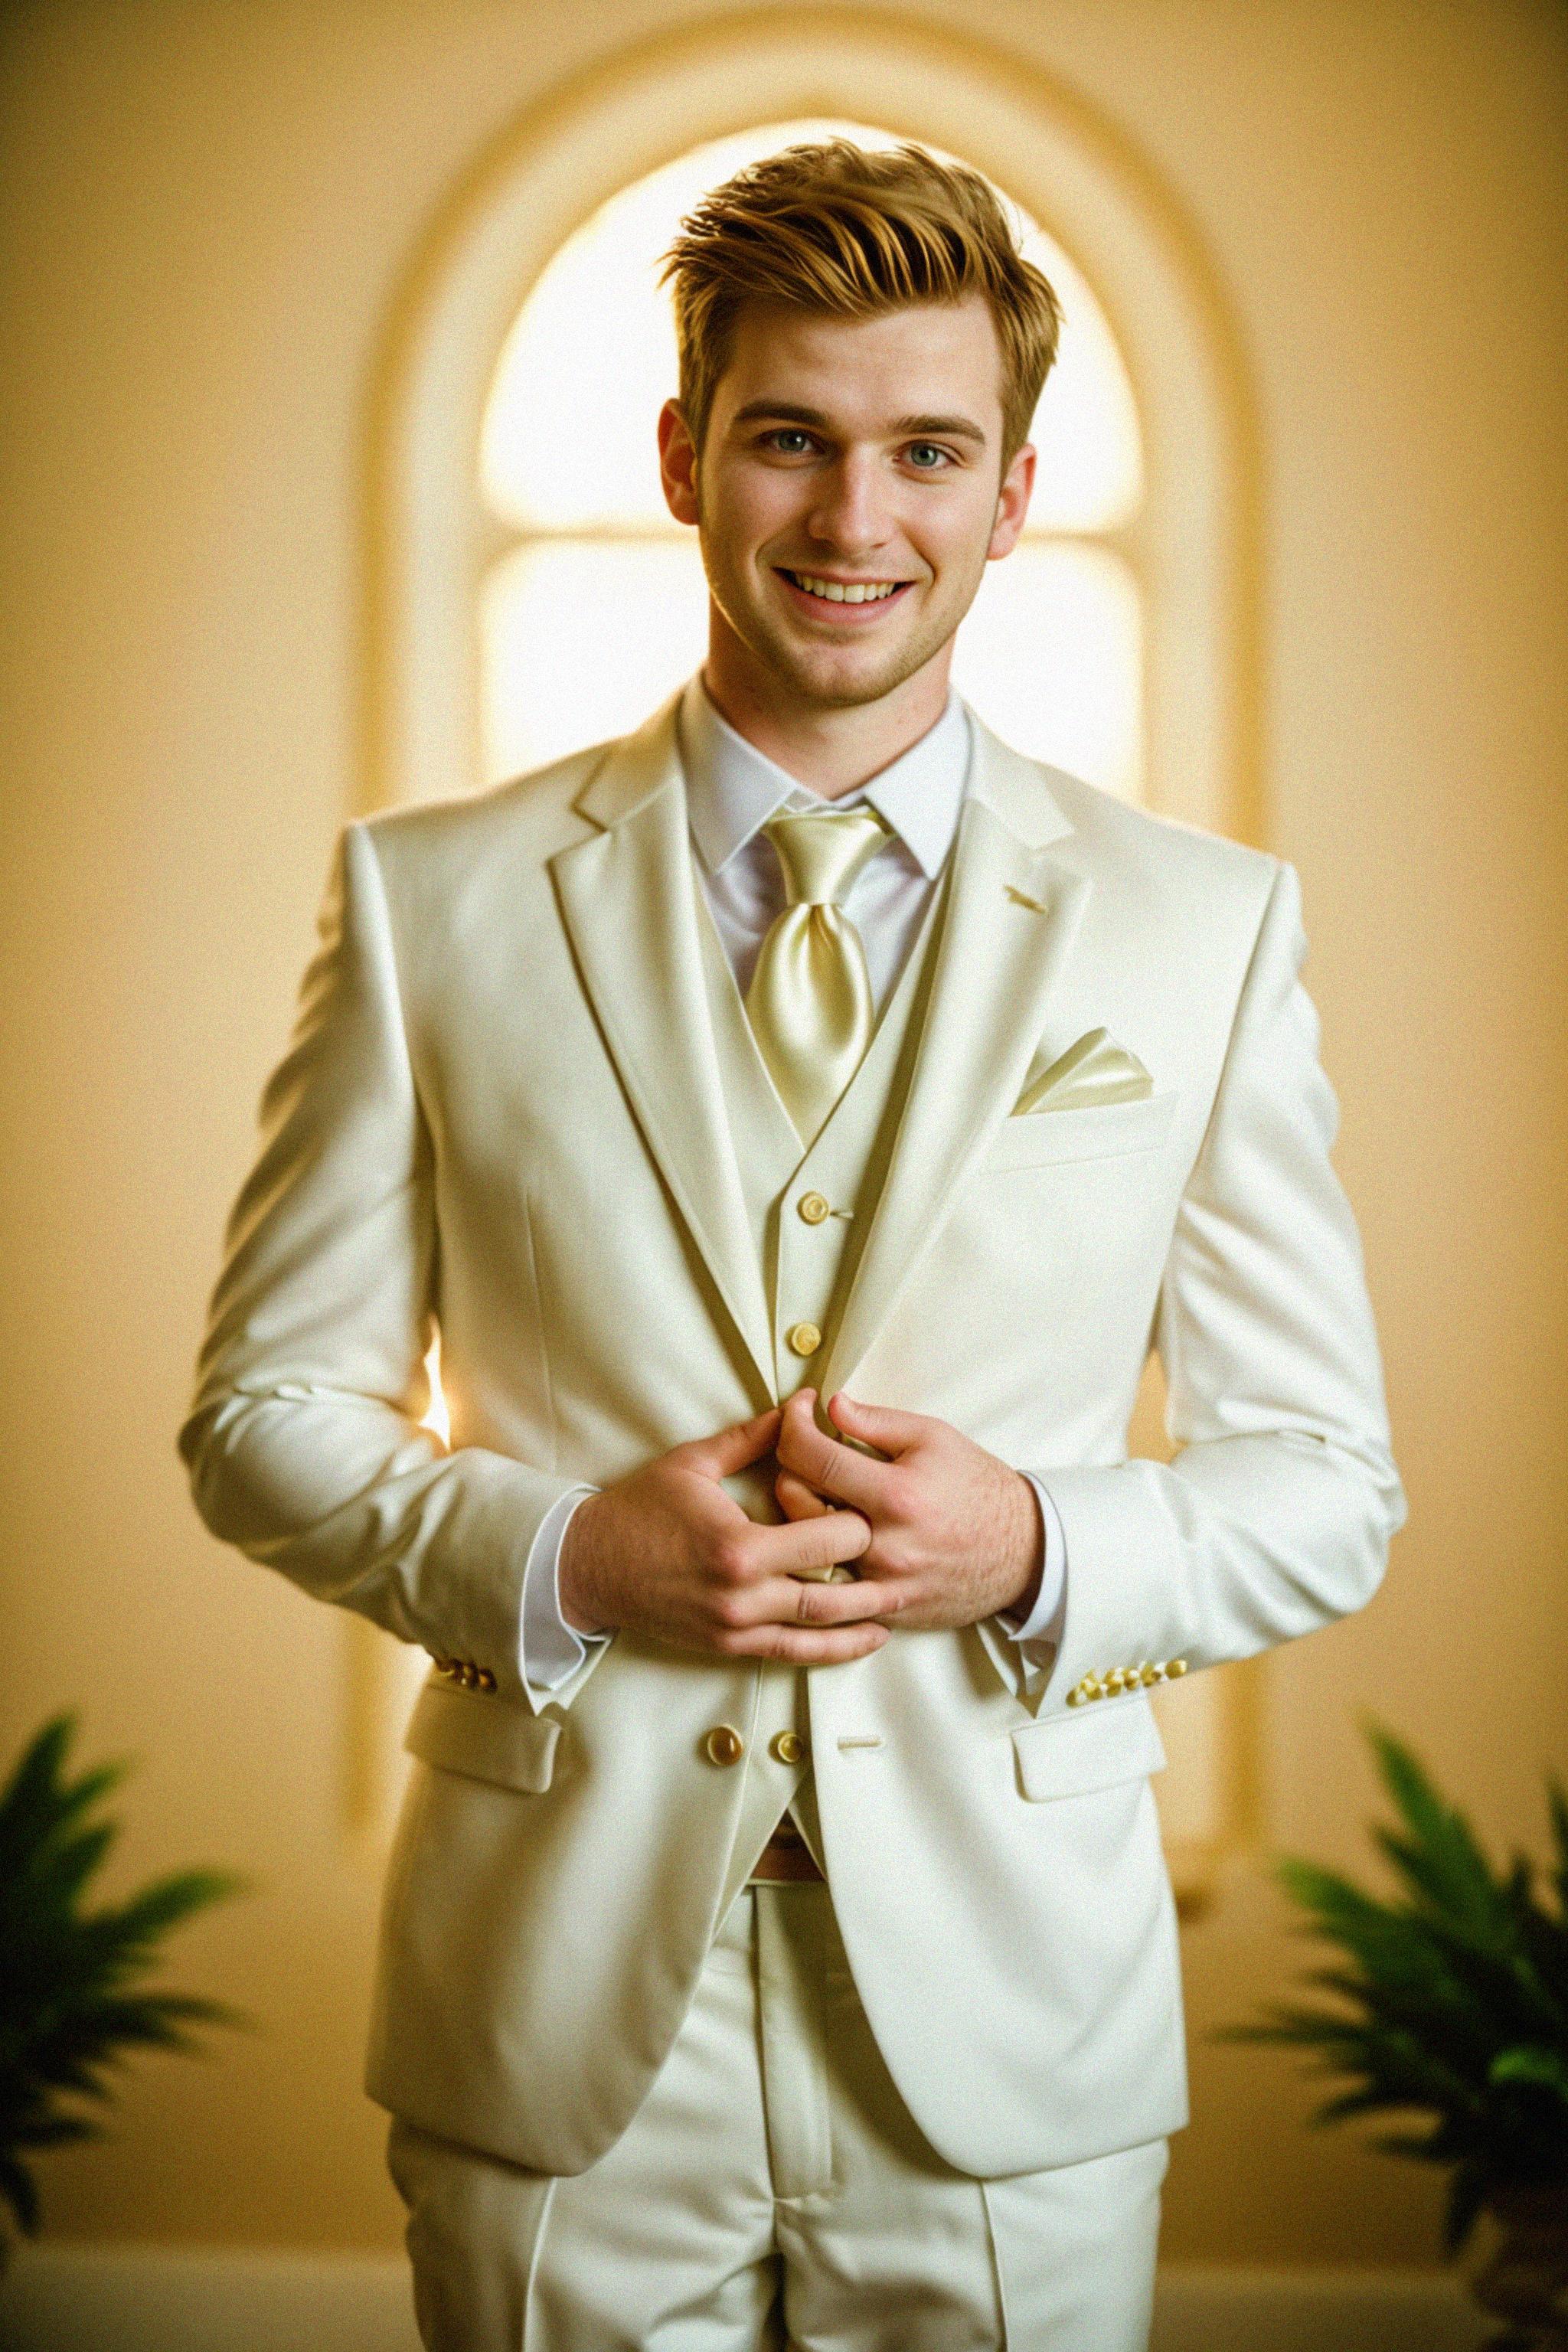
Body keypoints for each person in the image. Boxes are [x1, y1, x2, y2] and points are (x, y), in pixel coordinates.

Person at [181, 139, 1404, 2350]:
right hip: (556, 2015)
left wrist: (1034, 1544)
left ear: (1013, 493)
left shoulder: (1203, 928)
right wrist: (570, 1558)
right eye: (790, 440)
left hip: (1013, 2021)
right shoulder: (429, 902)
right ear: (683, 457)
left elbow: (1326, 1484)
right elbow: (261, 1419)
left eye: (928, 451)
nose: (857, 519)